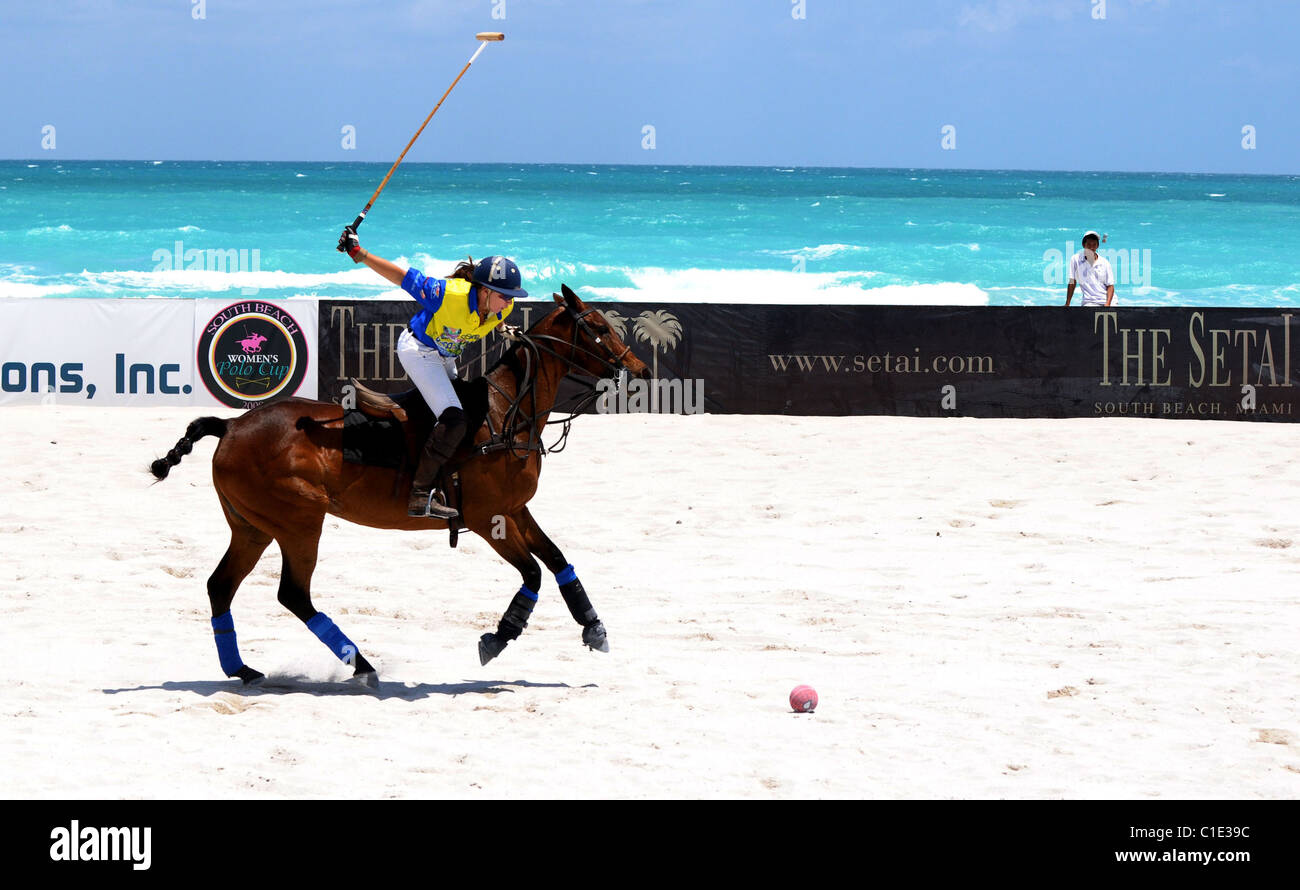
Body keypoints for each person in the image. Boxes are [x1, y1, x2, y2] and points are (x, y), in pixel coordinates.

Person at [338, 227, 526, 518]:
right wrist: (359, 253)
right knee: (454, 420)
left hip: (444, 356)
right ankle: (420, 494)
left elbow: (496, 317)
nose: (509, 302)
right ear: (485, 291)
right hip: (418, 350)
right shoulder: (447, 294)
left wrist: (504, 329)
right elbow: (401, 278)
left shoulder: (502, 306)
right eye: (504, 296)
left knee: (463, 410)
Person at [1065, 230, 1114, 307]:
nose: (1091, 247)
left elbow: (1110, 286)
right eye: (1088, 244)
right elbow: (1072, 281)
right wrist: (1067, 303)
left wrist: (1107, 304)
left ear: (1097, 246)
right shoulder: (1075, 259)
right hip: (1089, 302)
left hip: (1109, 301)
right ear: (1083, 245)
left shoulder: (1105, 263)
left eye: (1094, 244)